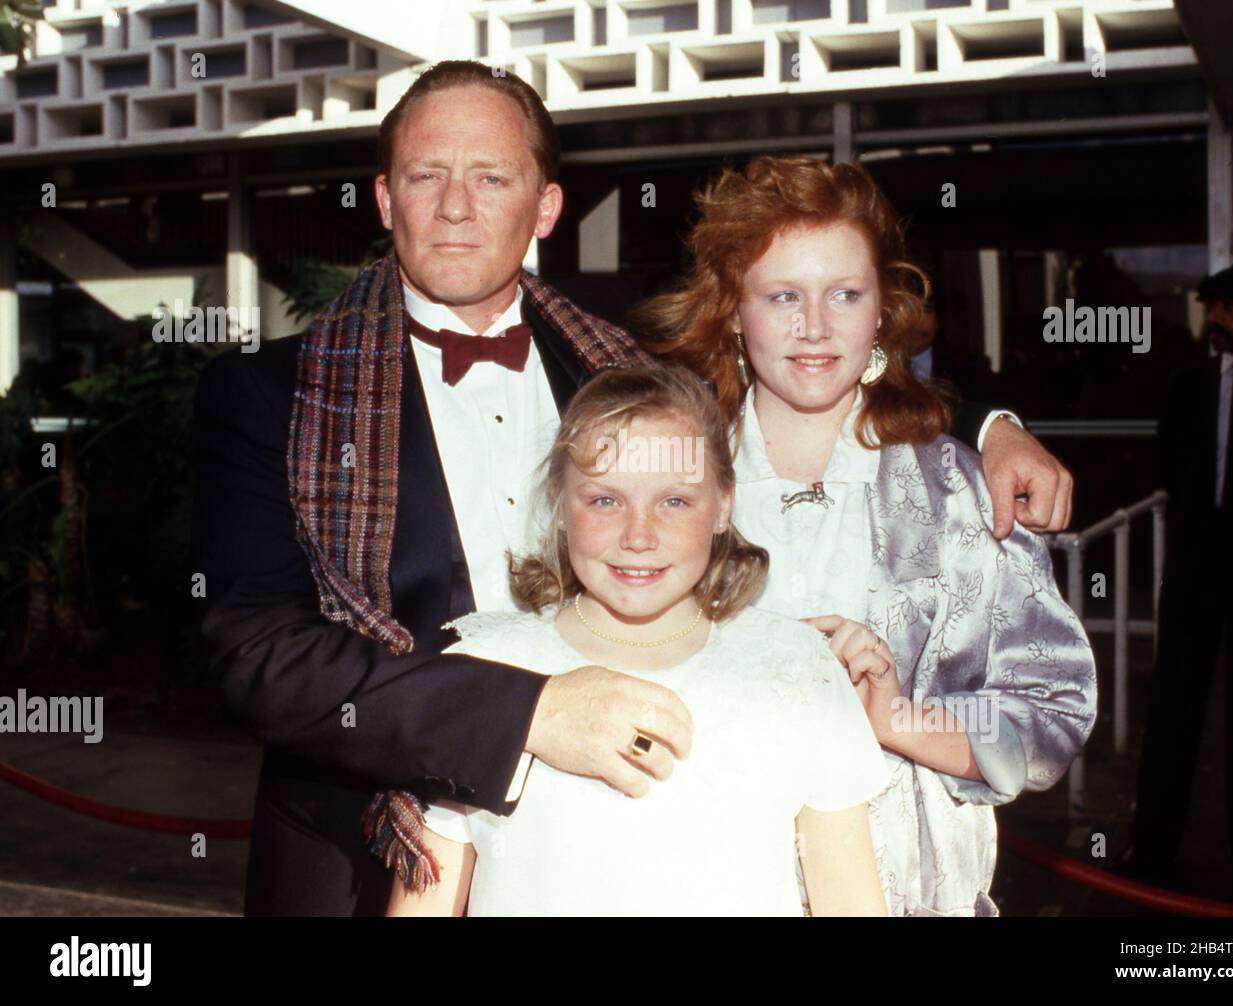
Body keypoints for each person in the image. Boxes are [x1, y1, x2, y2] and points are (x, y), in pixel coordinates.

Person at [192, 59, 1077, 916]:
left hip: (638, 841)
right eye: (426, 176)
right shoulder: (276, 394)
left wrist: (987, 431)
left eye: (492, 177)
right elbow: (255, 655)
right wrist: (526, 712)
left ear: (546, 207)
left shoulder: (616, 362)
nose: (457, 208)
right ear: (385, 199)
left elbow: (809, 367)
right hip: (370, 851)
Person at [630, 155, 1098, 915]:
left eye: (845, 294)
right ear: (732, 310)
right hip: (703, 881)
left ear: (881, 310)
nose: (814, 328)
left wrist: (899, 720)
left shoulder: (964, 492)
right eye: (782, 296)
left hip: (912, 893)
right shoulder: (664, 486)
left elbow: (1049, 708)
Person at [386, 365, 891, 916]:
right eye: (605, 500)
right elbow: (424, 904)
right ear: (559, 500)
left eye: (674, 501)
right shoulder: (485, 670)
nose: (639, 535)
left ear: (723, 504)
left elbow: (851, 902)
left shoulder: (797, 670)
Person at [1129, 265, 1233, 904]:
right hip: (1199, 573)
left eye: (1230, 307)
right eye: (1212, 306)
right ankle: (1153, 855)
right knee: (1174, 711)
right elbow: (1172, 468)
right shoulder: (1189, 386)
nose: (1216, 318)